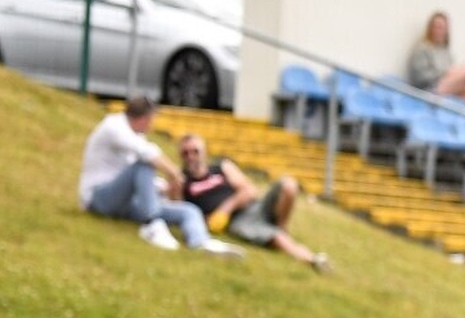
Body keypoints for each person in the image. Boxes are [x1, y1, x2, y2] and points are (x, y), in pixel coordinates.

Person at [78, 97, 238, 255]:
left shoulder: (135, 135)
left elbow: (139, 177)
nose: (151, 124)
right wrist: (174, 173)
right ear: (145, 118)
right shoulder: (113, 126)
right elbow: (146, 153)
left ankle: (200, 242)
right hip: (98, 199)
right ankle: (151, 224)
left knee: (189, 211)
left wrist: (162, 187)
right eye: (152, 119)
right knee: (144, 164)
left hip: (126, 202)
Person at [175, 134, 331, 272]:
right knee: (276, 237)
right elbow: (182, 211)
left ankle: (282, 227)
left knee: (289, 185)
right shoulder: (182, 181)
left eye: (195, 151)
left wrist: (224, 209)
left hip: (254, 206)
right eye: (185, 153)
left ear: (204, 152)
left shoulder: (222, 167)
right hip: (238, 221)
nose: (190, 156)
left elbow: (249, 190)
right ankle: (312, 260)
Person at [407, 11, 465, 109]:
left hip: (448, 88)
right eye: (437, 27)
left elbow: (451, 73)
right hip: (431, 89)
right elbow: (420, 78)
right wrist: (446, 73)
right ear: (430, 28)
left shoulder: (446, 52)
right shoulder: (423, 48)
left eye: (443, 28)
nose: (440, 31)